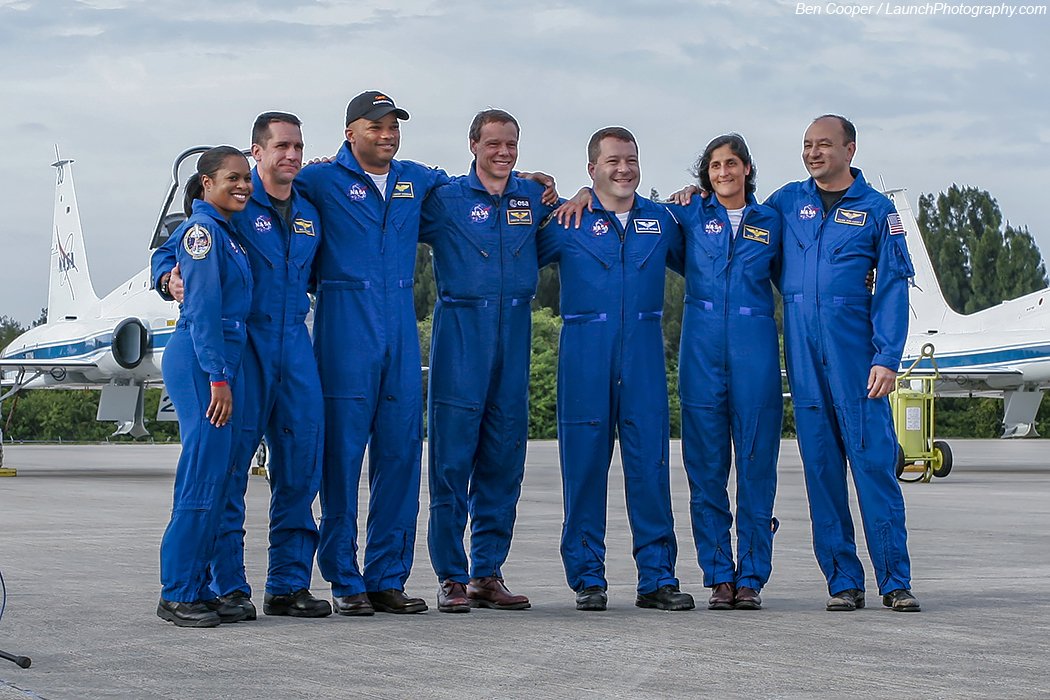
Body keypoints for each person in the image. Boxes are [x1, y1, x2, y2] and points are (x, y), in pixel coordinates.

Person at [154, 113, 330, 619]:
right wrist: (168, 280)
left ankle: (288, 583)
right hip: (241, 347)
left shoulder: (311, 211)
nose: (291, 155)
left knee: (301, 465)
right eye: (281, 146)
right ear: (258, 152)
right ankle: (226, 583)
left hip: (293, 344)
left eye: (298, 146)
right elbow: (170, 255)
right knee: (226, 470)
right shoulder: (225, 215)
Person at [764, 115, 920, 612]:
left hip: (858, 362)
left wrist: (887, 358)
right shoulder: (788, 201)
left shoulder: (877, 210)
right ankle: (842, 582)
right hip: (805, 362)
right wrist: (692, 196)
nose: (813, 153)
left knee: (874, 468)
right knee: (822, 473)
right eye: (807, 145)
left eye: (824, 145)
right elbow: (739, 226)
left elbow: (894, 286)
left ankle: (895, 582)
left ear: (850, 149)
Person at [539, 127, 693, 612]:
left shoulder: (663, 221)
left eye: (631, 159)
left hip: (644, 355)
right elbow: (511, 248)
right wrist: (540, 188)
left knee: (650, 466)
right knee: (583, 468)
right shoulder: (568, 220)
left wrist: (697, 194)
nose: (623, 169)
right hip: (584, 353)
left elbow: (710, 249)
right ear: (591, 168)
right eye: (612, 161)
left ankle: (657, 578)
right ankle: (588, 577)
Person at [419, 109, 557, 613]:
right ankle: (451, 576)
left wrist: (580, 194)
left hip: (515, 332)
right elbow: (385, 220)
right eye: (493, 143)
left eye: (511, 144)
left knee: (503, 457)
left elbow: (578, 217)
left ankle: (487, 572)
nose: (503, 152)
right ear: (473, 144)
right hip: (460, 333)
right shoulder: (446, 199)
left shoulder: (531, 197)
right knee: (452, 460)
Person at [667, 134, 783, 611]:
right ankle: (718, 575)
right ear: (705, 173)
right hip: (700, 353)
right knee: (706, 472)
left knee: (757, 468)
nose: (723, 173)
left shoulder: (771, 222)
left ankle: (752, 576)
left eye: (731, 164)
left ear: (748, 169)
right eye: (714, 166)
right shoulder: (689, 216)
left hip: (755, 353)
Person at [153, 146, 254, 628]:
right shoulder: (202, 233)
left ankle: (200, 585)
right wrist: (218, 377)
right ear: (206, 184)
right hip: (201, 357)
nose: (242, 186)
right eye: (233, 178)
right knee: (202, 474)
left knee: (219, 474)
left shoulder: (224, 231)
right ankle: (177, 592)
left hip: (221, 357)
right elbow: (204, 311)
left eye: (247, 179)